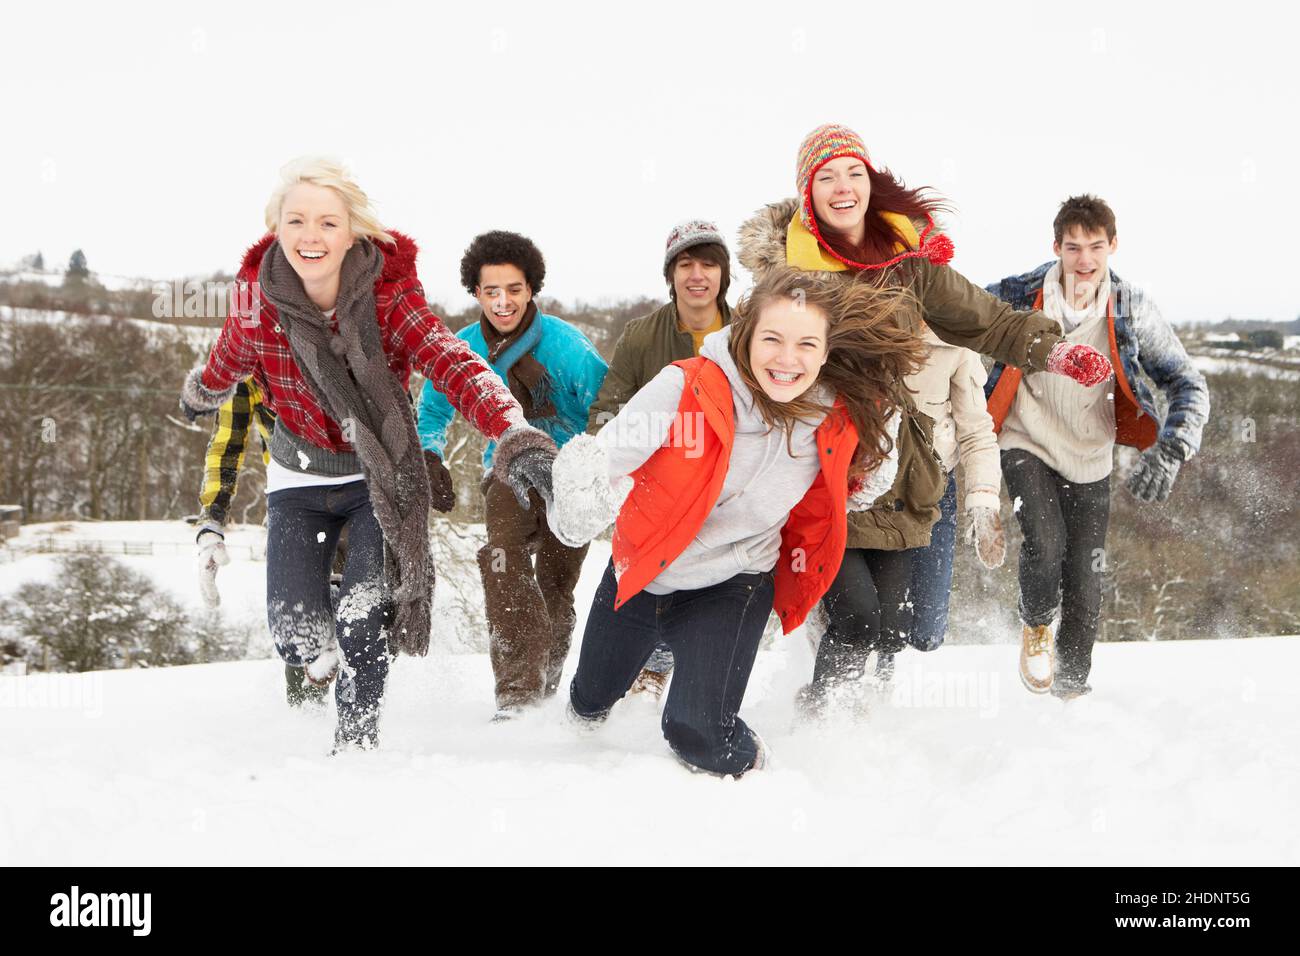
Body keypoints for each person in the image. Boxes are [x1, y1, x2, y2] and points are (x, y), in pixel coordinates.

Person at [737, 123, 1114, 715]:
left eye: (854, 173)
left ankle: (856, 720)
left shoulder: (908, 265)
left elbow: (985, 321)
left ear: (872, 181)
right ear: (807, 194)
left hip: (900, 470)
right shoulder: (788, 277)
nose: (843, 187)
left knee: (894, 627)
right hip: (821, 468)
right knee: (856, 616)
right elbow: (750, 360)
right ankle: (820, 718)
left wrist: (1054, 349)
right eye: (826, 177)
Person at [180, 157, 556, 750]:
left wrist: (513, 430)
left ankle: (355, 744)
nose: (311, 235)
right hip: (297, 478)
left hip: (375, 477)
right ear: (275, 227)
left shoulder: (388, 296)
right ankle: (319, 646)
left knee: (362, 619)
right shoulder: (259, 303)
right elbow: (228, 355)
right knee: (295, 633)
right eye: (297, 220)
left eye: (328, 222)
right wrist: (204, 390)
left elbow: (452, 363)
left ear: (352, 231)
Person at [548, 268, 925, 775]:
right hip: (644, 572)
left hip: (735, 583)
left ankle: (759, 773)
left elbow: (853, 494)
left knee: (700, 735)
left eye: (806, 344)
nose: (788, 360)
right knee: (589, 700)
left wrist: (879, 439)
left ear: (827, 350)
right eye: (773, 338)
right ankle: (570, 754)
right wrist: (575, 499)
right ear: (747, 333)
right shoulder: (685, 388)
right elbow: (608, 455)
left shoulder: (836, 416)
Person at [985, 194, 1210, 697]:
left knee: (1086, 583)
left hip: (1091, 452)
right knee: (1045, 542)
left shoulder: (1131, 307)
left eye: (1095, 247)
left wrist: (1172, 448)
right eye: (1072, 247)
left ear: (1113, 246)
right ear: (1056, 247)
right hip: (1026, 437)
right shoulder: (1018, 294)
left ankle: (1071, 695)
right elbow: (952, 320)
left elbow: (1187, 382)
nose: (1084, 260)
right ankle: (1037, 626)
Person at [417, 231, 608, 718]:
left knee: (556, 587)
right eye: (491, 291)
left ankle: (545, 688)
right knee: (502, 561)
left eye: (515, 289)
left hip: (569, 479)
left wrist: (599, 471)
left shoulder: (568, 347)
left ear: (532, 289)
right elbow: (433, 412)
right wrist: (429, 455)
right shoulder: (462, 350)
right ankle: (517, 697)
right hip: (504, 473)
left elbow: (607, 410)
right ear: (475, 293)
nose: (503, 302)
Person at [584, 219, 735, 700]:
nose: (697, 275)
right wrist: (602, 459)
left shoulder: (748, 332)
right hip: (659, 482)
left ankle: (678, 672)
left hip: (726, 480)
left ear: (722, 274)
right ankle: (630, 672)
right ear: (670, 275)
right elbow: (609, 405)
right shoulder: (641, 336)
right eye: (685, 264)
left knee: (709, 579)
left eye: (708, 264)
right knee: (646, 576)